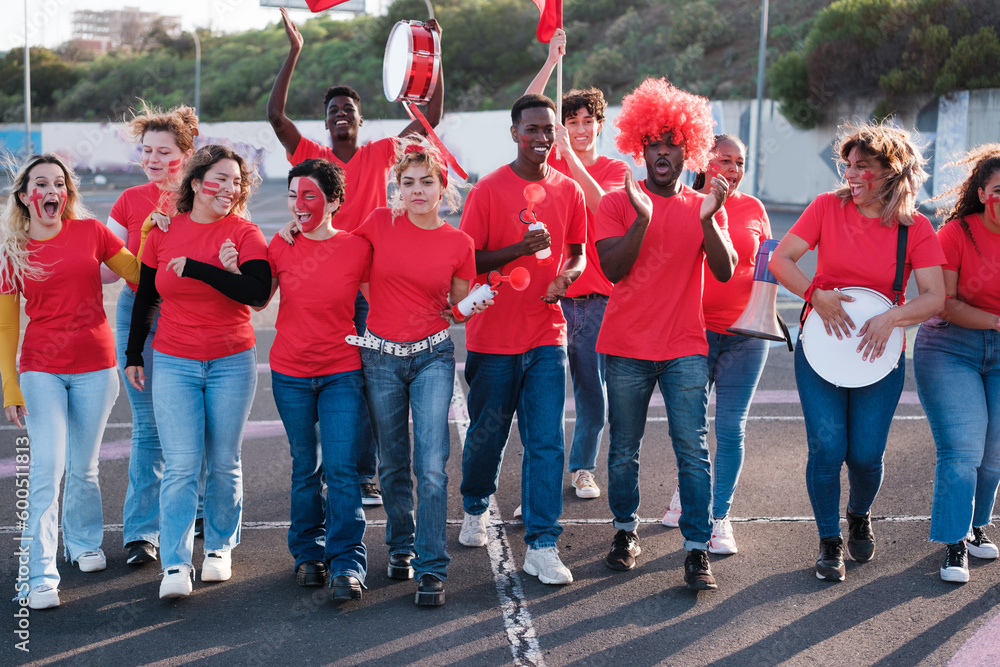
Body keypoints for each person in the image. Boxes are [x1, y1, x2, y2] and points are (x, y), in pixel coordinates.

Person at [266, 6, 445, 506]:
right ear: (325, 123)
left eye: (348, 109)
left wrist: (437, 53)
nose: (340, 114)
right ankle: (336, 466)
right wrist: (294, 52)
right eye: (332, 111)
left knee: (367, 381)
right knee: (323, 378)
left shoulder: (381, 153)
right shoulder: (310, 159)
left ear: (360, 120)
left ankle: (362, 472)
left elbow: (430, 119)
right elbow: (275, 117)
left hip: (370, 286)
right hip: (319, 287)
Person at [770, 122, 945, 582]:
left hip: (881, 354)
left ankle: (859, 513)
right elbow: (780, 260)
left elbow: (934, 297)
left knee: (866, 455)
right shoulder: (827, 207)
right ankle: (830, 542)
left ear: (891, 172)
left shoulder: (916, 226)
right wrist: (814, 295)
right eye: (848, 164)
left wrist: (891, 317)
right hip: (819, 351)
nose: (851, 174)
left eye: (863, 166)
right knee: (827, 448)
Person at [594, 78, 735, 591]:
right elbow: (612, 269)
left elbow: (724, 269)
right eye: (654, 141)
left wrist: (711, 218)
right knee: (623, 449)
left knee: (692, 449)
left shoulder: (700, 205)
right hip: (627, 348)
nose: (663, 151)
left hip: (684, 349)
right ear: (640, 145)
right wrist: (642, 219)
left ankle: (697, 549)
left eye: (674, 142)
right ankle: (625, 532)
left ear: (688, 149)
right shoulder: (618, 201)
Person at [2, 154, 151, 609]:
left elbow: (139, 276)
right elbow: (7, 327)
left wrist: (146, 235)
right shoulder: (13, 248)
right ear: (26, 197)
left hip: (96, 366)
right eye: (41, 184)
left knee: (84, 466)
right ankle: (40, 575)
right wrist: (10, 386)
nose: (52, 191)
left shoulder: (91, 232)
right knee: (48, 468)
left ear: (67, 194)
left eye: (60, 184)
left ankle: (83, 542)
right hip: (41, 369)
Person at [125, 145, 270, 600]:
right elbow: (148, 297)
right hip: (174, 360)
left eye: (237, 181)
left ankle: (220, 549)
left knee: (224, 461)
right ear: (195, 183)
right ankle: (174, 563)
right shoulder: (163, 231)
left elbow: (258, 292)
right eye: (221, 179)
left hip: (231, 361)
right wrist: (133, 354)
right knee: (182, 465)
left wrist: (202, 269)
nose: (230, 189)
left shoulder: (246, 234)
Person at [457, 94, 587, 586]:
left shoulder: (569, 191)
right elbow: (467, 262)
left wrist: (566, 278)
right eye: (532, 128)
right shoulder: (488, 190)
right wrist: (519, 249)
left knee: (547, 441)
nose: (542, 137)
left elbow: (575, 254)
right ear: (514, 133)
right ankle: (474, 504)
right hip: (492, 339)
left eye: (548, 130)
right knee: (487, 435)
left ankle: (542, 543)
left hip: (546, 335)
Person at [353, 138, 481, 605]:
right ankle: (401, 547)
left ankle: (431, 567)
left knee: (430, 466)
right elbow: (348, 263)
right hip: (380, 358)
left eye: (427, 182)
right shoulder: (378, 223)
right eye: (407, 183)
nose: (417, 190)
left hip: (432, 357)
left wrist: (470, 305)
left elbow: (458, 308)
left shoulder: (460, 242)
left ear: (442, 186)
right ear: (397, 188)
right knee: (392, 466)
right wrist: (292, 231)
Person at [524, 28, 630, 500]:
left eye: (589, 121)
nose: (581, 128)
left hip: (595, 299)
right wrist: (550, 60)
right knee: (540, 394)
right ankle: (539, 468)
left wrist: (571, 156)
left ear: (601, 126)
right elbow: (525, 107)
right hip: (547, 295)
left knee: (593, 391)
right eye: (572, 121)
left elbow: (605, 205)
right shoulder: (547, 162)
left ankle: (582, 466)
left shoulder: (614, 169)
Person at [258, 158, 372, 599]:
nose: (298, 204)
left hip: (342, 371)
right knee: (306, 467)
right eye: (292, 195)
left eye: (308, 195)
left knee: (342, 469)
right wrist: (232, 263)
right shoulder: (281, 244)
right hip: (289, 374)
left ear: (335, 201)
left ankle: (347, 562)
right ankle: (308, 554)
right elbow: (255, 301)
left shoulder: (358, 247)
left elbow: (387, 292)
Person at [101, 102, 206, 567]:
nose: (153, 159)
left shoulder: (203, 197)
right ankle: (142, 533)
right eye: (147, 151)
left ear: (185, 155)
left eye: (164, 151)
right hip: (135, 314)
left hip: (187, 315)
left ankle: (198, 510)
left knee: (190, 418)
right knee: (148, 427)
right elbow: (108, 269)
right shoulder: (127, 201)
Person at [660, 134, 772, 556]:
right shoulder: (684, 201)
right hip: (693, 331)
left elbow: (767, 265)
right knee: (690, 429)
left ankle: (718, 517)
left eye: (740, 161)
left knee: (729, 428)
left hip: (746, 337)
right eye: (725, 159)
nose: (733, 168)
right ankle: (686, 493)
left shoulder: (755, 209)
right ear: (704, 161)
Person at [914, 144, 1000, 583]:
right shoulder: (955, 234)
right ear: (984, 193)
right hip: (951, 348)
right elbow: (943, 305)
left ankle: (975, 525)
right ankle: (953, 544)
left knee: (994, 456)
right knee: (964, 449)